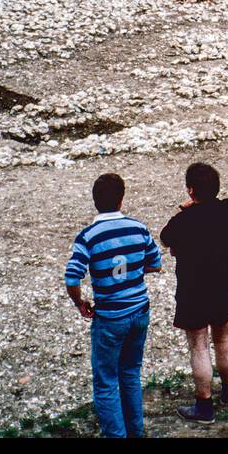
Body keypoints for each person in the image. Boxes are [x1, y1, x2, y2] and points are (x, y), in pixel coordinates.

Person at [64, 172, 162, 438]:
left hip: (110, 317)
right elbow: (156, 263)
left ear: (95, 201)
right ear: (121, 199)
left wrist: (80, 302)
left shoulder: (88, 236)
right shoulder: (138, 228)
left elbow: (72, 277)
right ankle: (136, 432)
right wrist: (133, 269)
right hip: (140, 310)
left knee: (106, 382)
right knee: (130, 374)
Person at [161, 162, 228, 424]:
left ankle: (204, 406)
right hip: (223, 286)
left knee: (199, 345)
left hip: (192, 291)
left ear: (191, 190)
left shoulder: (184, 220)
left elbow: (165, 238)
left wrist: (186, 209)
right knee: (223, 339)